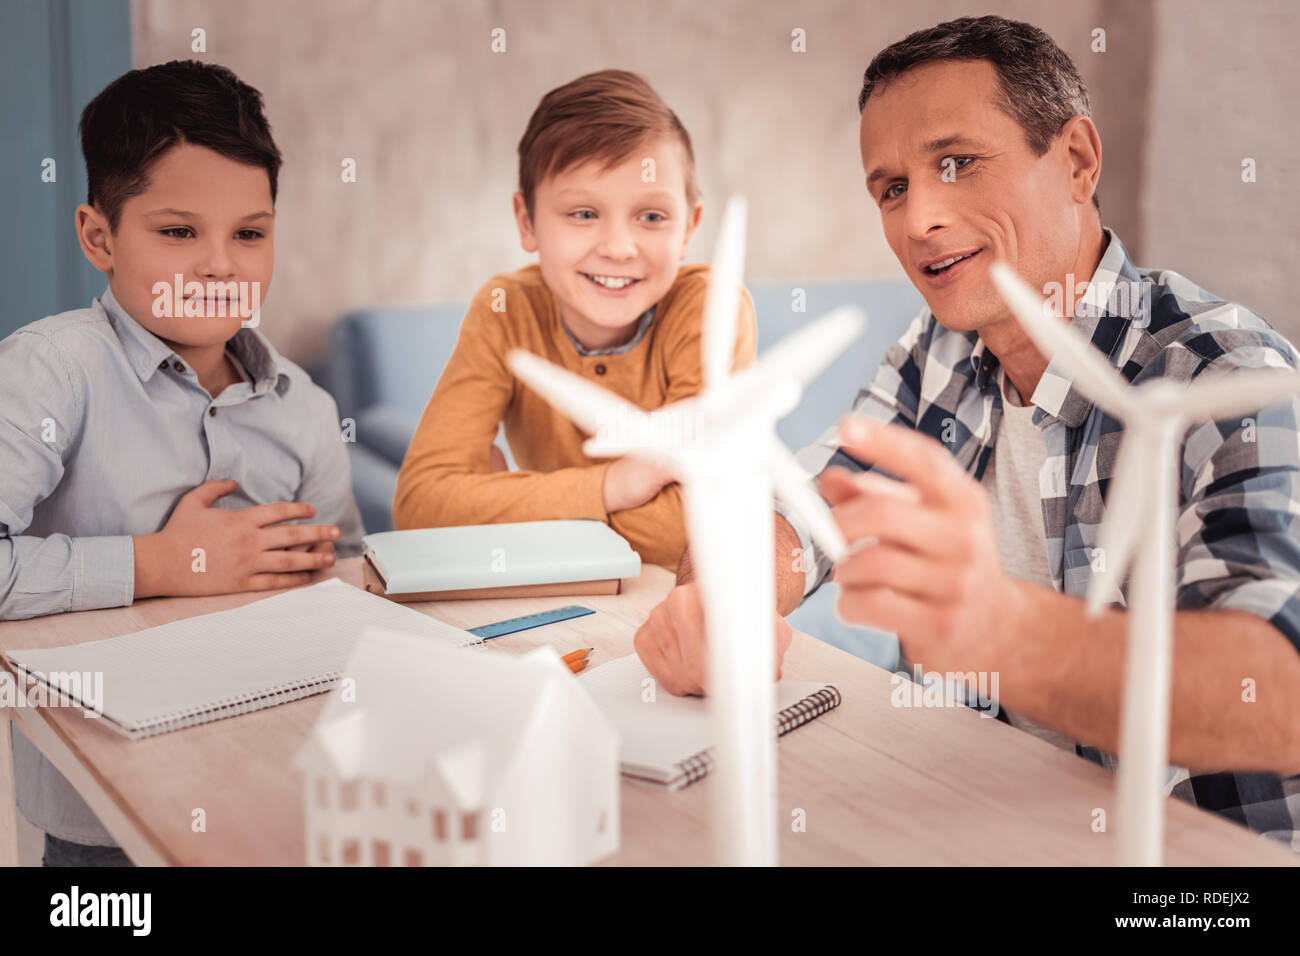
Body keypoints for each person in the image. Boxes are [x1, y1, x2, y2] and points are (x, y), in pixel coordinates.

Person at [633, 16, 1300, 849]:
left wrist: (1003, 634)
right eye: (892, 188)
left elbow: (1275, 694)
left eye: (957, 163)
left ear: (1078, 162)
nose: (920, 220)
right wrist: (722, 600)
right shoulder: (939, 351)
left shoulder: (1227, 374)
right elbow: (806, 506)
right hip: (985, 820)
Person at [0, 60, 364, 865]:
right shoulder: (50, 373)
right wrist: (159, 563)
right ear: (99, 236)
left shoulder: (301, 407)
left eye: (250, 233)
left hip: (280, 788)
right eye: (177, 232)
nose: (221, 267)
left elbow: (345, 586)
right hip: (106, 815)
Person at [393, 70, 756, 569]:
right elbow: (420, 510)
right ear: (528, 223)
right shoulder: (505, 310)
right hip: (562, 611)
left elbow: (688, 532)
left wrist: (497, 503)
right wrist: (611, 486)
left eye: (651, 217)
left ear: (689, 227)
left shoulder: (710, 310)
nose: (619, 248)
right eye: (583, 214)